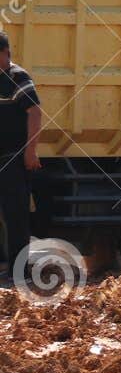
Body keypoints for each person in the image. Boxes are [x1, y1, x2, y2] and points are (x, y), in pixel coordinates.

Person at [0, 31, 42, 279]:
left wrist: (30, 151)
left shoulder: (17, 77)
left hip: (12, 158)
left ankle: (19, 271)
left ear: (5, 53)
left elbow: (35, 113)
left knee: (15, 213)